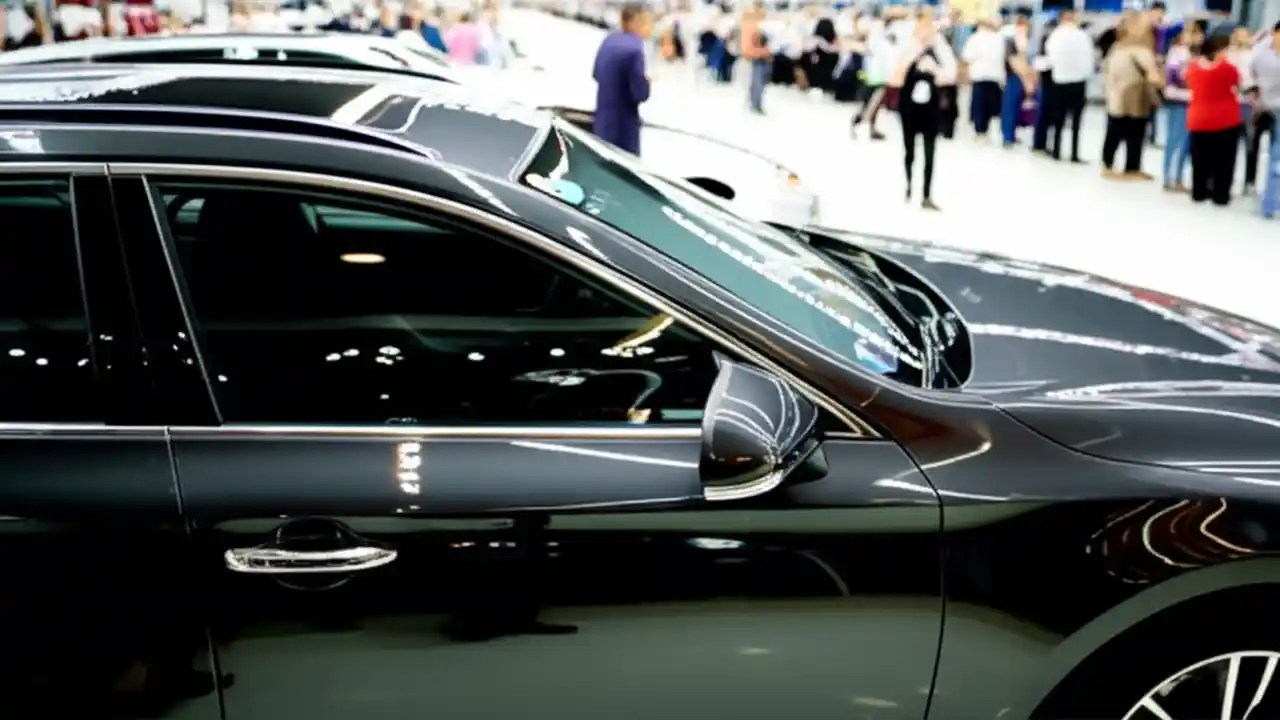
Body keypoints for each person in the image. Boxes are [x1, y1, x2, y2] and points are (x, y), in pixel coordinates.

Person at [890, 9, 955, 210]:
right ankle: (909, 185)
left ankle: (927, 194)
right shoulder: (908, 46)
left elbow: (951, 75)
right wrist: (914, 56)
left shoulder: (940, 47)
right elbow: (895, 75)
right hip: (909, 106)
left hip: (931, 107)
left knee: (930, 151)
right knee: (909, 148)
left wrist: (934, 69)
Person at [1186, 26, 1243, 205]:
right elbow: (1238, 84)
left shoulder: (1193, 68)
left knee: (1200, 159)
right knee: (1224, 161)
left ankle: (1199, 191)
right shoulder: (1228, 69)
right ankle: (1220, 194)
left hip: (1198, 119)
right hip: (1225, 119)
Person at [1101, 15, 1162, 180]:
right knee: (1136, 134)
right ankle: (1132, 167)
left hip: (1115, 97)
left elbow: (1108, 74)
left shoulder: (1116, 48)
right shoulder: (1143, 51)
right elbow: (1153, 76)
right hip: (1135, 99)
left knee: (1114, 131)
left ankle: (1107, 164)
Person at [592, 3, 653, 155]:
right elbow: (640, 94)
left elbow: (596, 74)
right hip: (624, 129)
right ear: (638, 22)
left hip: (602, 121)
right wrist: (647, 81)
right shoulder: (636, 50)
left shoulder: (609, 40)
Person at [1044, 9, 1093, 162]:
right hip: (1079, 82)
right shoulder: (1083, 36)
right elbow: (1089, 59)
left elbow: (1050, 56)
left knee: (1059, 118)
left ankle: (1056, 151)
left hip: (1060, 81)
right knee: (1076, 120)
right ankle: (1074, 154)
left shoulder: (1055, 36)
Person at [1161, 28, 1194, 191]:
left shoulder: (1189, 54)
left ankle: (1177, 177)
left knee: (1182, 142)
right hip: (1180, 100)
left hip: (1186, 100)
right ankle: (1170, 177)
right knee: (1176, 140)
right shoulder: (1178, 53)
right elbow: (1175, 76)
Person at [1249, 22, 1280, 196]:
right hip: (1260, 104)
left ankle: (1272, 191)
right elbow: (1250, 71)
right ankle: (1250, 181)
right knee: (1253, 144)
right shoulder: (1260, 51)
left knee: (1276, 151)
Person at [962, 17, 1005, 139]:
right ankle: (987, 128)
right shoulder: (998, 39)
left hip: (979, 75)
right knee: (991, 104)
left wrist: (966, 76)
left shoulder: (974, 39)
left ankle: (980, 130)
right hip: (994, 75)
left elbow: (967, 58)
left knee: (979, 104)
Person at [1229, 26, 1259, 195]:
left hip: (1247, 104)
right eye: (1237, 35)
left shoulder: (1253, 56)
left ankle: (1249, 181)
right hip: (1230, 104)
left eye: (1244, 35)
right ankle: (1227, 179)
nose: (1240, 38)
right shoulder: (1228, 55)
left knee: (1250, 145)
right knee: (1229, 146)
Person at [1000, 9, 1035, 148]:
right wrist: (1026, 75)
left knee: (1016, 108)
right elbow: (1014, 62)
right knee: (1009, 107)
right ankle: (1007, 136)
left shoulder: (1025, 41)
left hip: (1022, 77)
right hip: (1012, 77)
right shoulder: (1010, 41)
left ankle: (1012, 134)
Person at [741, 4, 771, 114]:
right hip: (758, 55)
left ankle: (753, 103)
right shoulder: (755, 26)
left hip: (754, 55)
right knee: (758, 81)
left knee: (755, 80)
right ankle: (755, 105)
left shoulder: (748, 25)